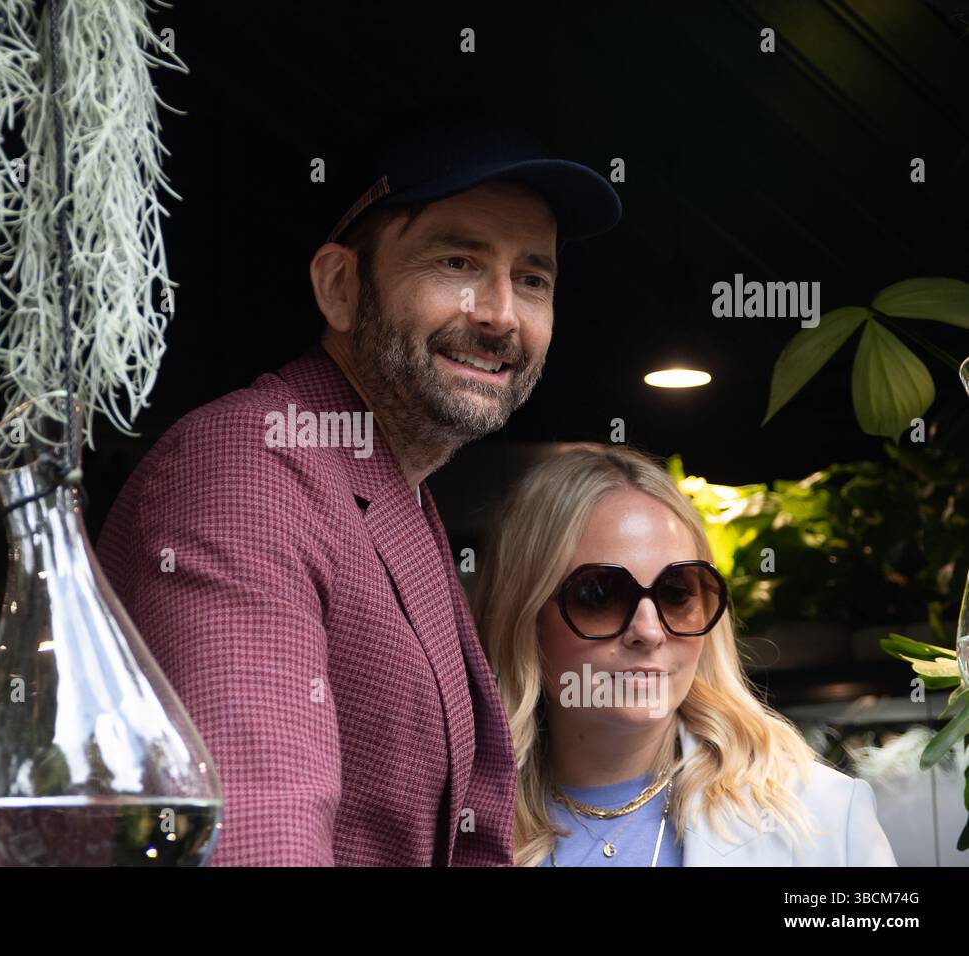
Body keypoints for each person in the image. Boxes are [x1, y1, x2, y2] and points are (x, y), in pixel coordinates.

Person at [93, 111, 621, 865]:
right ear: (340, 287)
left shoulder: (390, 480)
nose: (502, 315)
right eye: (458, 264)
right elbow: (257, 844)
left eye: (531, 278)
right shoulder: (247, 467)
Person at [472, 442, 898, 866]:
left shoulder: (825, 815)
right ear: (524, 619)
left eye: (676, 593)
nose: (649, 631)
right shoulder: (456, 823)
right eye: (600, 595)